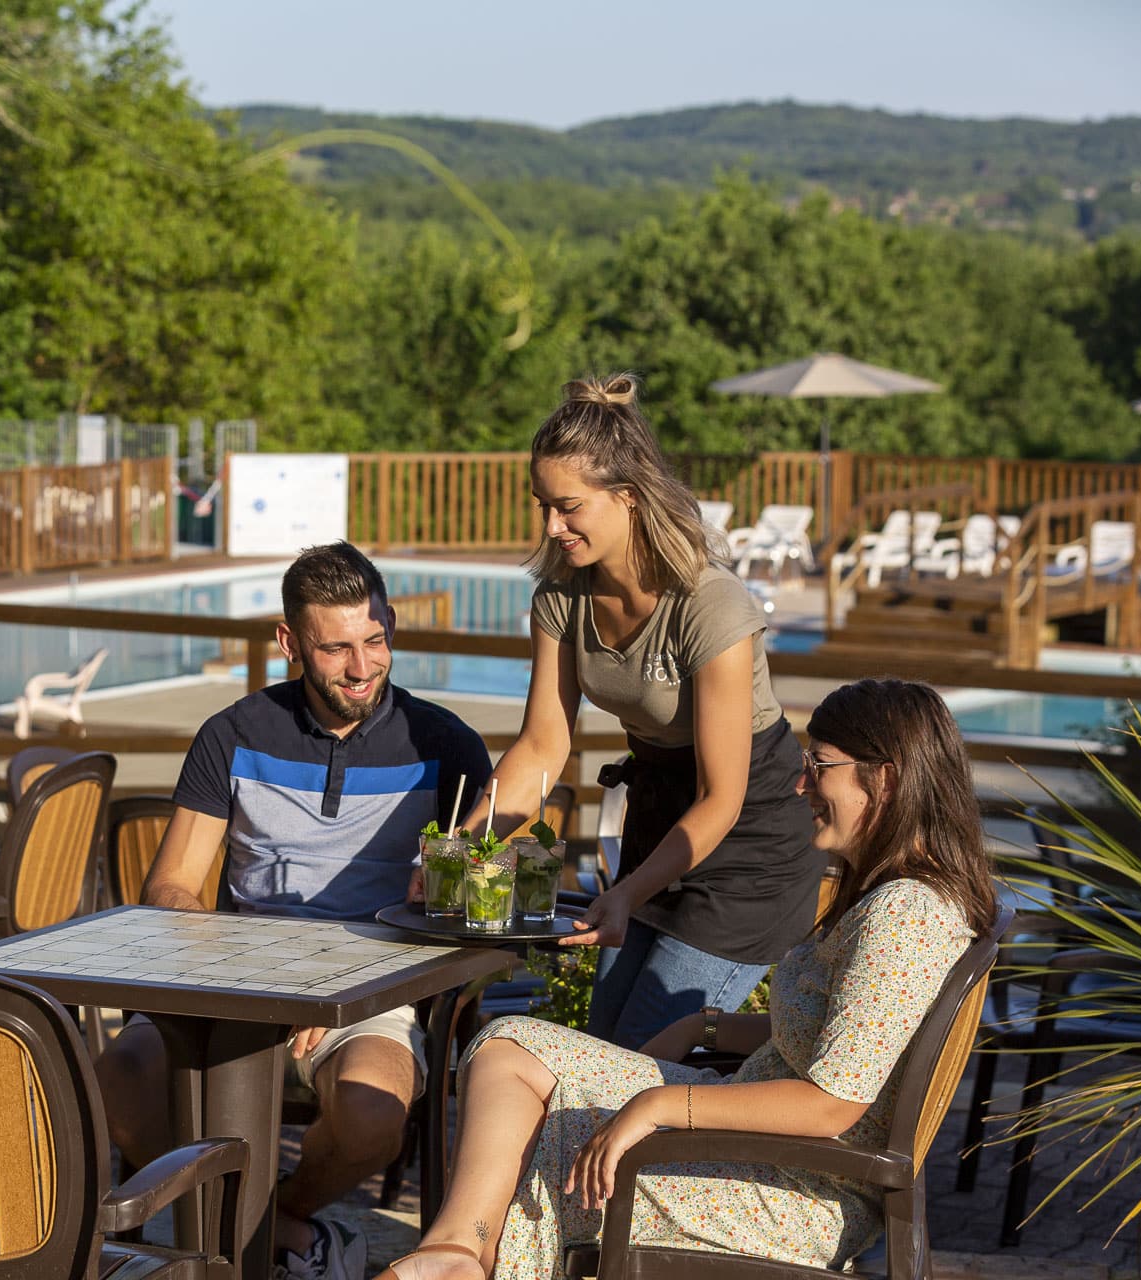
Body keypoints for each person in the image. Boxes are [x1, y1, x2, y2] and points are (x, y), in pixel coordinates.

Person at [378, 678, 999, 1280]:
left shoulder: (904, 915)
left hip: (789, 1191)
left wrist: (658, 1105)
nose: (800, 781)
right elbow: (842, 1039)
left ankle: (455, 1257)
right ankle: (456, 1251)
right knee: (509, 1048)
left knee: (539, 1136)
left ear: (884, 778)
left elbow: (833, 1101)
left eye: (821, 765)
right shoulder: (898, 896)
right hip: (762, 1155)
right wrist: (705, 1025)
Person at [95, 542, 492, 1280]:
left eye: (375, 641)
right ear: (289, 643)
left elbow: (456, 912)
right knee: (121, 1071)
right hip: (236, 977)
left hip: (373, 986)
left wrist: (334, 984)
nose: (362, 667)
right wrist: (254, 974)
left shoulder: (446, 745)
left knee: (374, 1116)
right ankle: (276, 1238)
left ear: (392, 626)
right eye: (336, 648)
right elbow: (172, 887)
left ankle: (270, 1225)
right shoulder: (233, 733)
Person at [459, 374, 822, 1049]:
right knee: (601, 1049)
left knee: (643, 1058)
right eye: (541, 506)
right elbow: (541, 747)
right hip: (659, 823)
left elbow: (722, 796)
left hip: (750, 844)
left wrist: (626, 893)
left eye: (567, 507)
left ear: (626, 497)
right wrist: (466, 846)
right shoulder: (562, 598)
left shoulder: (710, 607)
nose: (550, 527)